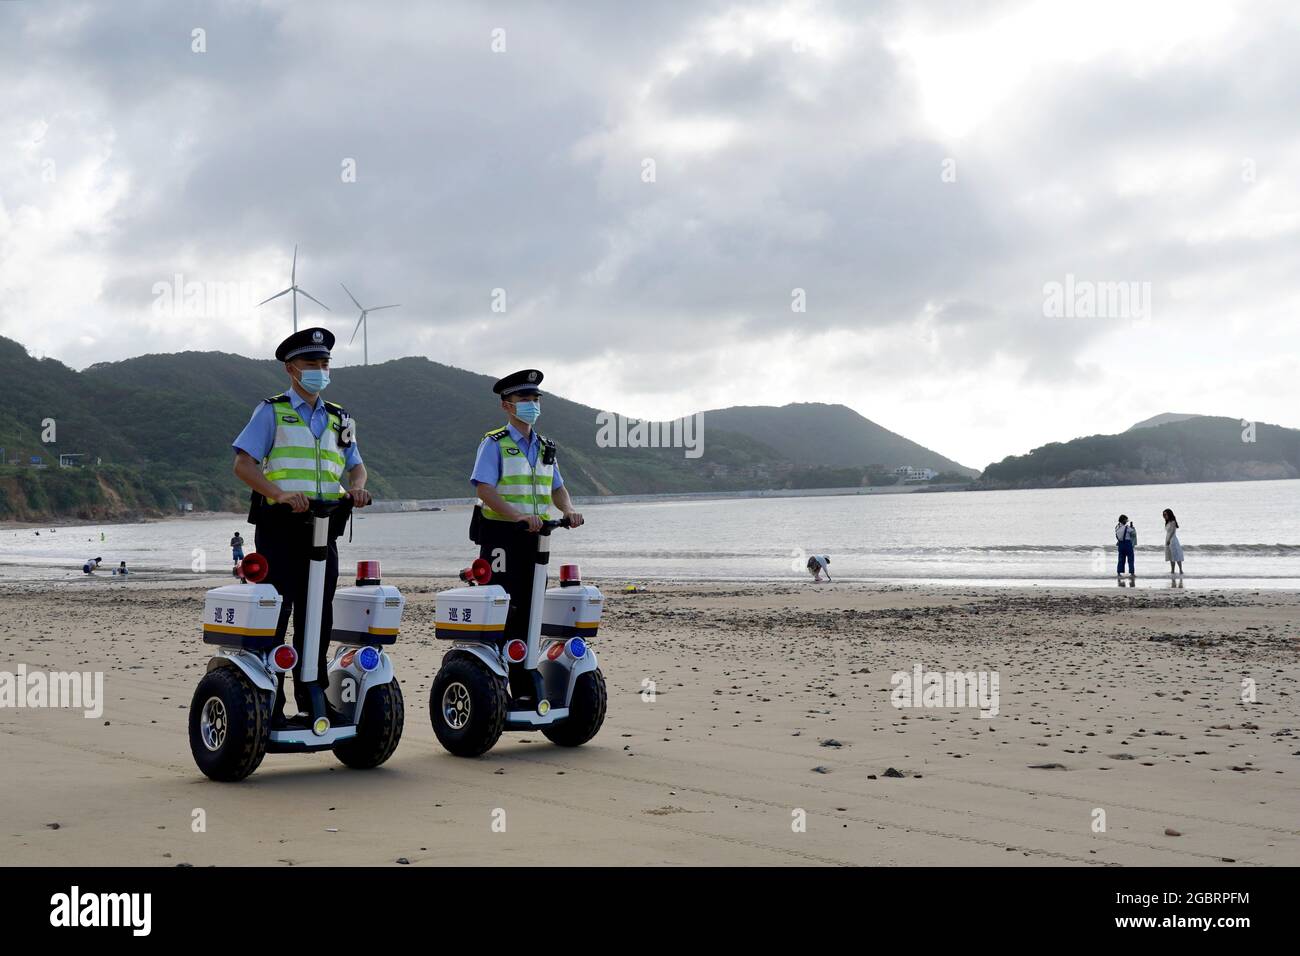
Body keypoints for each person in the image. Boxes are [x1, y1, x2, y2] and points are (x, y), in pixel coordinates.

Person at [231, 327, 373, 728]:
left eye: (325, 363)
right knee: (277, 613)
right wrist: (277, 494)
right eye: (312, 363)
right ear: (291, 368)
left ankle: (312, 693)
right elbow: (243, 464)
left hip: (324, 528)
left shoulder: (340, 418)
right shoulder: (272, 410)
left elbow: (355, 466)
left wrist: (357, 490)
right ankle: (269, 700)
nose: (320, 369)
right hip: (281, 528)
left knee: (319, 615)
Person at [469, 369, 584, 671]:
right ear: (507, 405)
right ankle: (496, 671)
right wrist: (518, 516)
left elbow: (557, 487)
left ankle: (523, 670)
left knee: (532, 606)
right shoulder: (494, 443)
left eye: (535, 398)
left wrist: (568, 510)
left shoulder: (546, 447)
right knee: (504, 605)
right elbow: (484, 488)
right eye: (524, 398)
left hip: (536, 538)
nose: (531, 404)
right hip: (502, 537)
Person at [1162, 508, 1184, 574]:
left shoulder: (1173, 522)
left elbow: (1173, 531)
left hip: (1172, 539)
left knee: (1176, 555)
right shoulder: (1167, 522)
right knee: (1170, 555)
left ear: (1169, 514)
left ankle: (1180, 570)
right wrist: (1167, 540)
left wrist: (1169, 540)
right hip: (1167, 538)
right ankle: (1172, 570)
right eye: (1163, 515)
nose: (1164, 516)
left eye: (1165, 514)